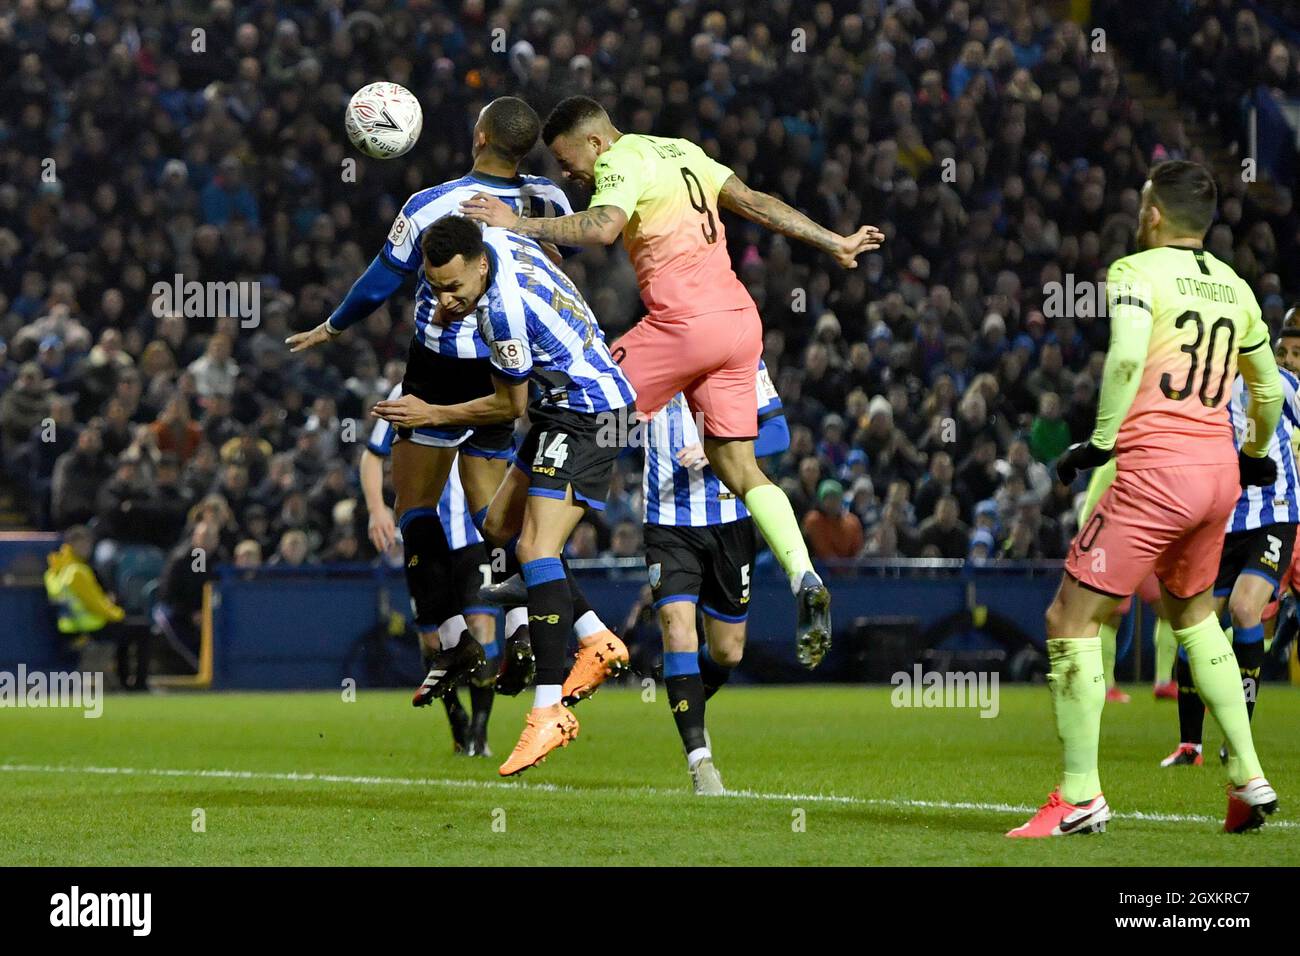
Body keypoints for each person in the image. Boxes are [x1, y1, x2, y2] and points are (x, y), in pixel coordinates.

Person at [460, 95, 884, 669]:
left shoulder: (619, 163)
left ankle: (537, 563)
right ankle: (803, 574)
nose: (569, 174)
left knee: (583, 396)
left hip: (682, 327)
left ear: (595, 142)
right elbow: (755, 204)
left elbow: (604, 227)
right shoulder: (682, 152)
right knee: (739, 466)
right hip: (738, 324)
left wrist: (520, 223)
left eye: (567, 161)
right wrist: (833, 241)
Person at [1008, 161, 1282, 838]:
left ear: (1154, 212)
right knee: (1196, 619)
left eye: (1142, 203)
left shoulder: (1136, 271)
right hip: (1217, 473)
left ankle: (1079, 796)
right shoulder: (1237, 288)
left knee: (1069, 617)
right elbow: (1269, 391)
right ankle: (1249, 776)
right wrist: (1253, 457)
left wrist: (1100, 443)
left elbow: (1127, 359)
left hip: (1155, 472)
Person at [286, 96, 574, 700]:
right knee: (491, 512)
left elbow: (382, 278)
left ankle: (453, 641)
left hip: (440, 365)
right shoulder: (549, 201)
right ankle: (520, 628)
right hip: (507, 366)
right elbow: (557, 265)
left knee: (415, 504)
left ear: (479, 136)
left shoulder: (431, 206)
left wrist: (331, 326)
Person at [374, 216, 635, 777]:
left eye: (454, 289)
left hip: (589, 411)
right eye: (435, 288)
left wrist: (432, 413)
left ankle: (549, 712)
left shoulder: (499, 315)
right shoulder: (497, 239)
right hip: (563, 405)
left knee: (535, 551)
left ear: (481, 268)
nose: (445, 302)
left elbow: (507, 407)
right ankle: (596, 636)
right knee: (498, 528)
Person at [643, 361, 788, 794]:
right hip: (668, 523)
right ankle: (700, 762)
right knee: (678, 633)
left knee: (727, 652)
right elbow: (607, 419)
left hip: (731, 520)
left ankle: (690, 701)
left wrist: (717, 450)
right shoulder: (648, 351)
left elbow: (779, 433)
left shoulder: (743, 359)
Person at [1161, 328, 1300, 767]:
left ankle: (1237, 739)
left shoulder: (1283, 386)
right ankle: (1190, 745)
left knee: (1245, 609)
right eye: (1283, 350)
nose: (1286, 358)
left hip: (1274, 516)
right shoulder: (1207, 393)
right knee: (1195, 624)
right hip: (1222, 522)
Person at [361, 384, 499, 758]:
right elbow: (373, 455)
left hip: (473, 537)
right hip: (424, 537)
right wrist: (376, 508)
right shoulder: (404, 391)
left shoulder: (484, 381)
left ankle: (480, 734)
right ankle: (458, 721)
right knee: (434, 642)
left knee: (482, 628)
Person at [44, 525, 147, 690]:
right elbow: (96, 605)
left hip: (67, 627)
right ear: (71, 545)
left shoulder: (54, 571)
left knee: (127, 630)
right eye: (83, 544)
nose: (87, 548)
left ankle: (124, 679)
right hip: (90, 626)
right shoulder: (77, 571)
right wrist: (120, 615)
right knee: (140, 629)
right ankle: (136, 684)